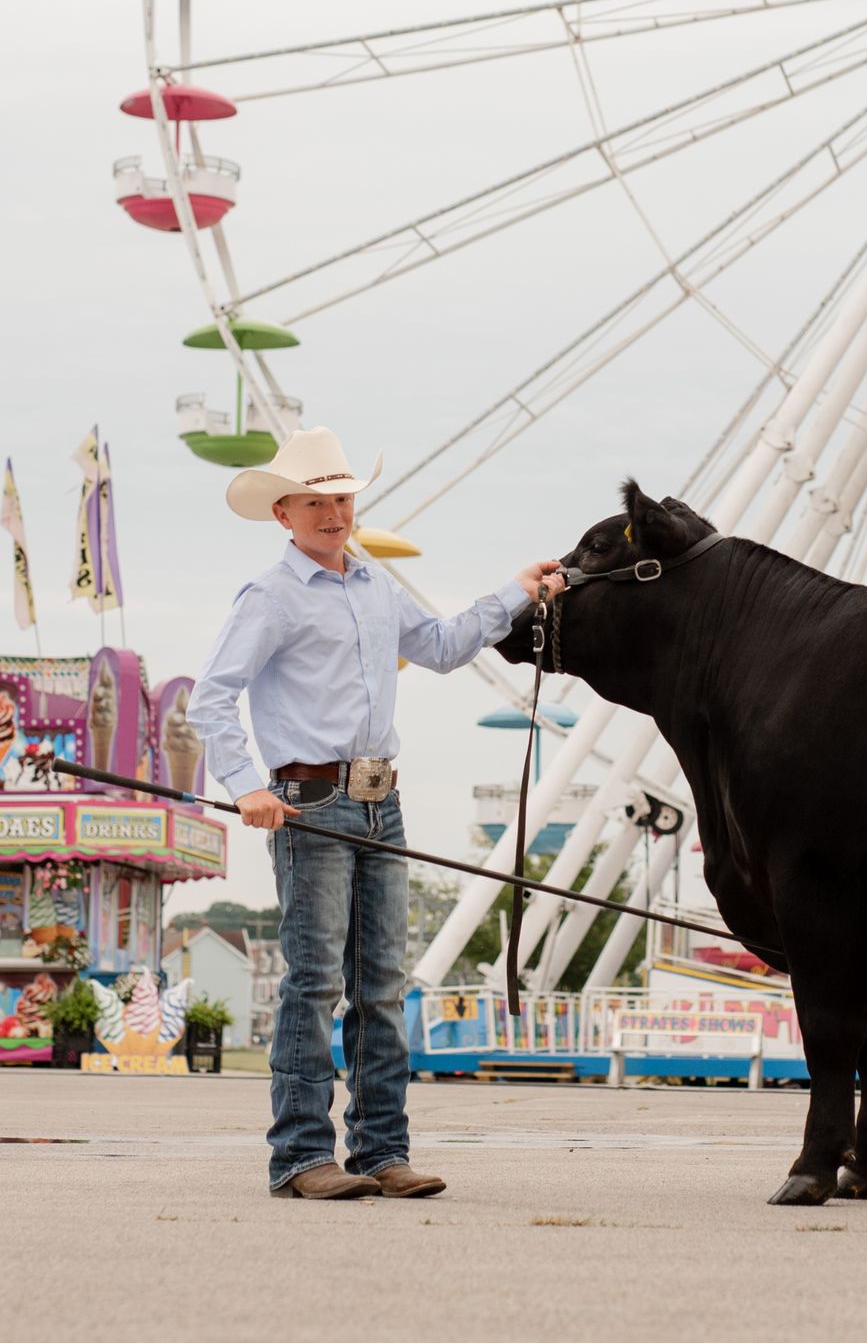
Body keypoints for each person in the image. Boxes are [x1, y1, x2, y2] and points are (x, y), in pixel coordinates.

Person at [191, 427, 561, 1201]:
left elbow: (443, 644)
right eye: (317, 500)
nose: (333, 511)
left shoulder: (375, 587)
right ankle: (300, 1156)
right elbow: (211, 696)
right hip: (308, 802)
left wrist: (518, 590)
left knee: (382, 986)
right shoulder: (270, 596)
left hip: (380, 801)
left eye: (343, 496)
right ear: (283, 512)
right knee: (316, 980)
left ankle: (382, 1149)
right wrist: (245, 783)